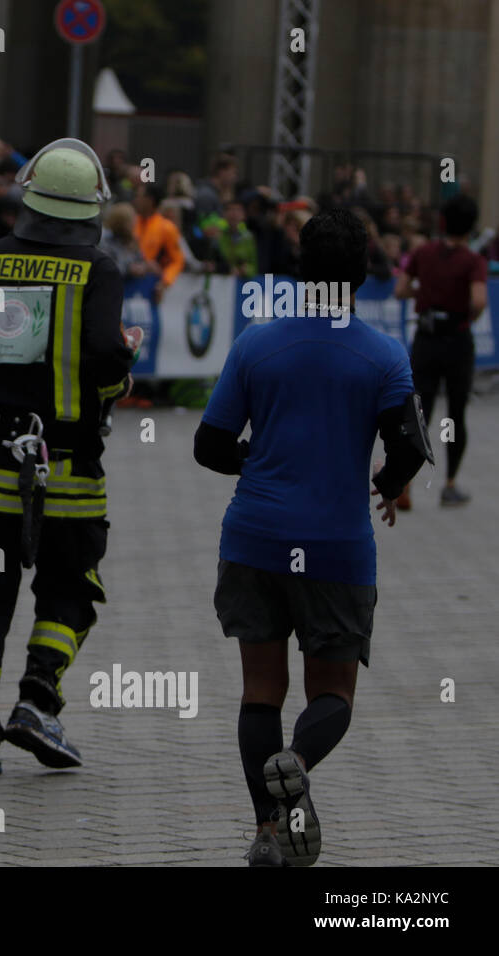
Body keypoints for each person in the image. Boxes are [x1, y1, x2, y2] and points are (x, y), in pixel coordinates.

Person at [194, 208, 429, 866]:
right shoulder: (382, 355)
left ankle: (271, 831)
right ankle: (296, 761)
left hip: (254, 539)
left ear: (297, 272)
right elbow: (407, 447)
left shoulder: (255, 345)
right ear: (360, 276)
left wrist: (259, 460)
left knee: (259, 691)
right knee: (332, 694)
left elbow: (209, 445)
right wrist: (384, 486)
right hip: (336, 546)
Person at [0, 139, 137, 778]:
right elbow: (102, 355)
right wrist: (122, 367)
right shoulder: (98, 269)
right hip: (68, 471)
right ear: (89, 208)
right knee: (70, 587)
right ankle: (37, 699)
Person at [394, 194, 488, 508]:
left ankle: (405, 480)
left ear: (443, 221)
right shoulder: (473, 261)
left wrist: (425, 293)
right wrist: (464, 318)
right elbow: (478, 301)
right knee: (456, 414)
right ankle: (449, 484)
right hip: (457, 342)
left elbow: (400, 289)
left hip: (426, 339)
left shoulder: (423, 252)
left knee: (419, 411)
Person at [133, 182, 184, 300]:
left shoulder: (167, 228)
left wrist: (164, 282)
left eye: (139, 196)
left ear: (150, 200)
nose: (135, 200)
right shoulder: (131, 223)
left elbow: (177, 261)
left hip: (150, 289)